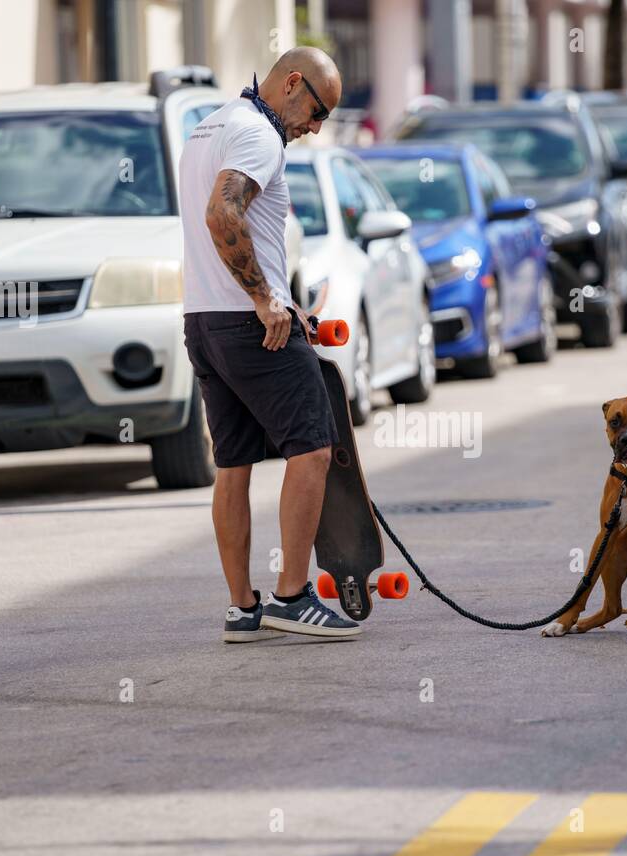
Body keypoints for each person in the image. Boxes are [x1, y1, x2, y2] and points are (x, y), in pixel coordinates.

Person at [179, 47, 360, 643]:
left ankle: (241, 609)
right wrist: (264, 300)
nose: (313, 128)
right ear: (292, 83)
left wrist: (277, 297)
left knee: (232, 464)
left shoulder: (212, 124)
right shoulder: (258, 134)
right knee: (312, 449)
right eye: (317, 112)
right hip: (249, 325)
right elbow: (222, 214)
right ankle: (291, 596)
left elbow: (230, 226)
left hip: (204, 320)